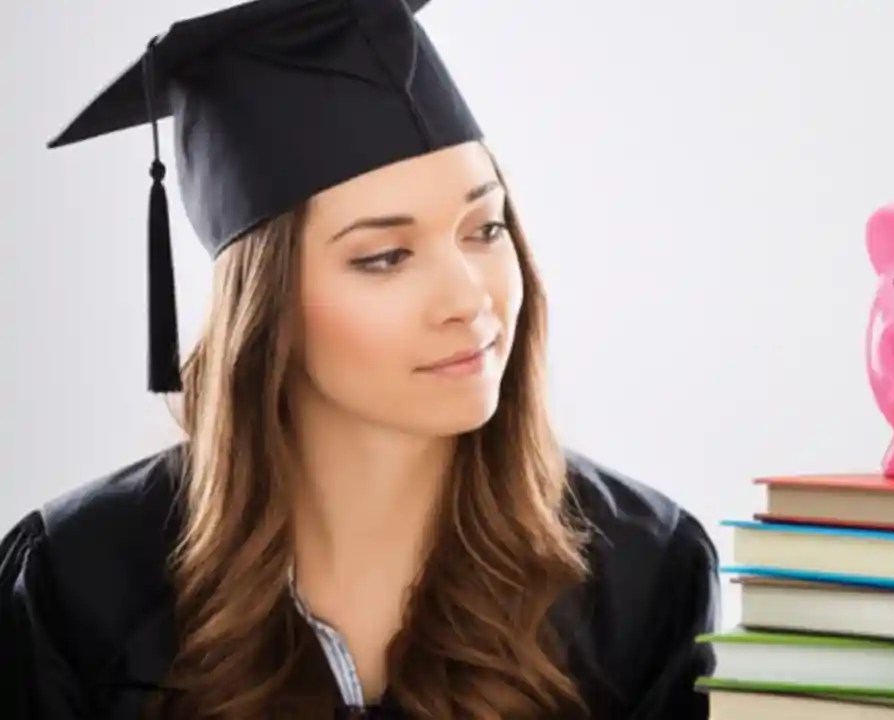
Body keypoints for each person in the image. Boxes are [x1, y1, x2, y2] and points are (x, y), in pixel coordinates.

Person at [0, 0, 719, 717]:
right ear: (267, 309)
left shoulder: (642, 573)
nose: (469, 299)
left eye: (485, 227)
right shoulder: (80, 580)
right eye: (384, 257)